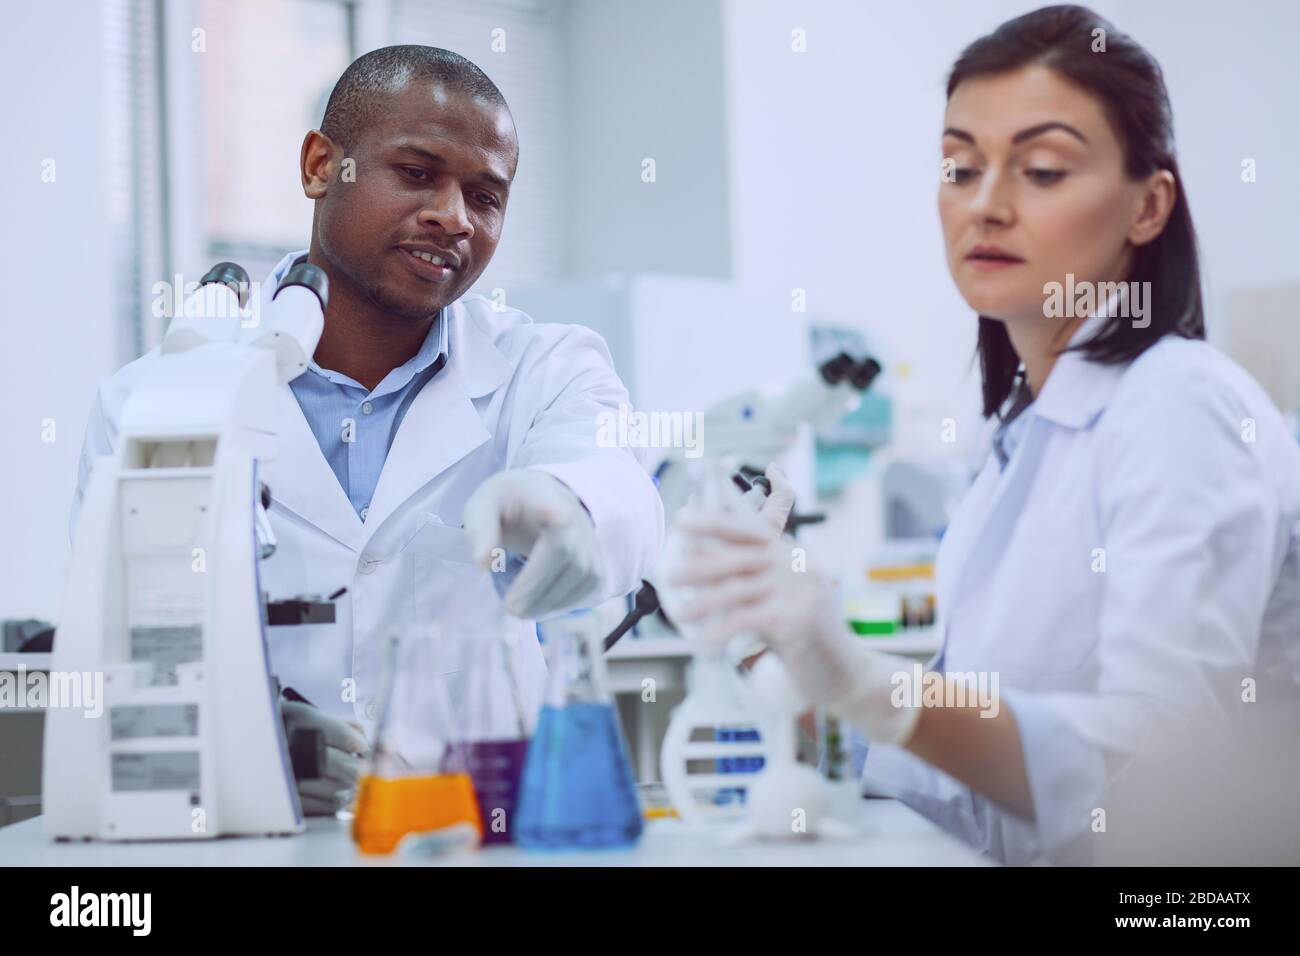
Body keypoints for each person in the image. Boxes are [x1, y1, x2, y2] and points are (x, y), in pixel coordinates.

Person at [658, 5, 1300, 864]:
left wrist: (874, 684)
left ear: (1149, 206)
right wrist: (772, 637)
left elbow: (1158, 762)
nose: (986, 206)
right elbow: (962, 775)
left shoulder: (1178, 407)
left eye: (1040, 169)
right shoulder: (1023, 430)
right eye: (960, 167)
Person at [72, 46, 663, 814]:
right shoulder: (153, 402)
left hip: (473, 833)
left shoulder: (542, 367)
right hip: (244, 834)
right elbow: (119, 657)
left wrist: (564, 505)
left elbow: (612, 475)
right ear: (321, 165)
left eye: (485, 195)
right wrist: (244, 739)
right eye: (417, 173)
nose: (453, 217)